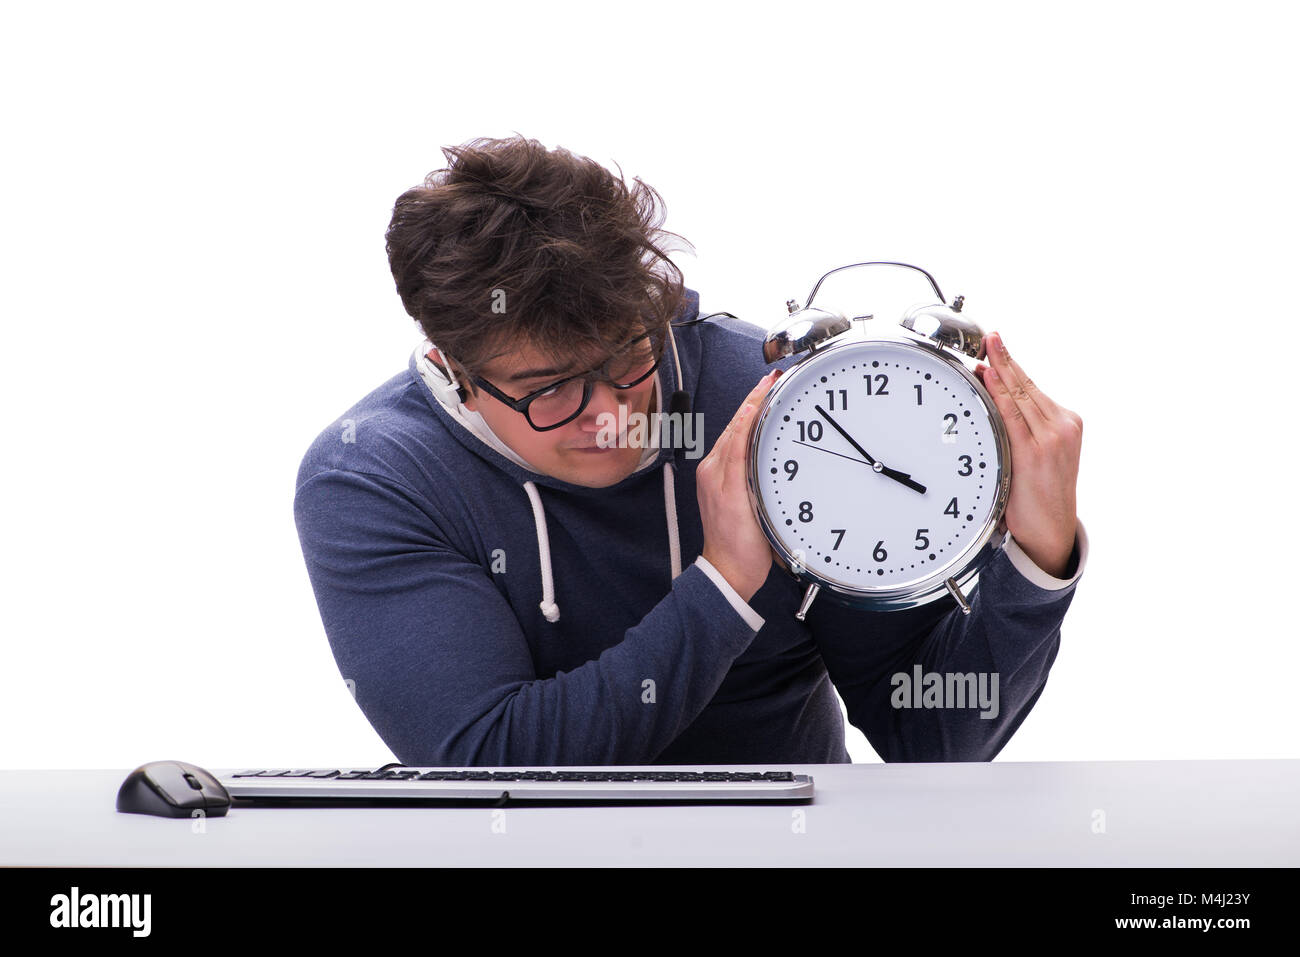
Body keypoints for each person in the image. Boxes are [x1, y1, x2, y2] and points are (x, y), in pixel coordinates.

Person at [292, 134, 1088, 767]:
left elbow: (930, 738)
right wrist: (724, 583)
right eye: (550, 390)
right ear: (452, 369)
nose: (609, 415)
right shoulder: (372, 478)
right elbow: (491, 763)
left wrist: (1036, 561)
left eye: (625, 357)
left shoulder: (780, 403)